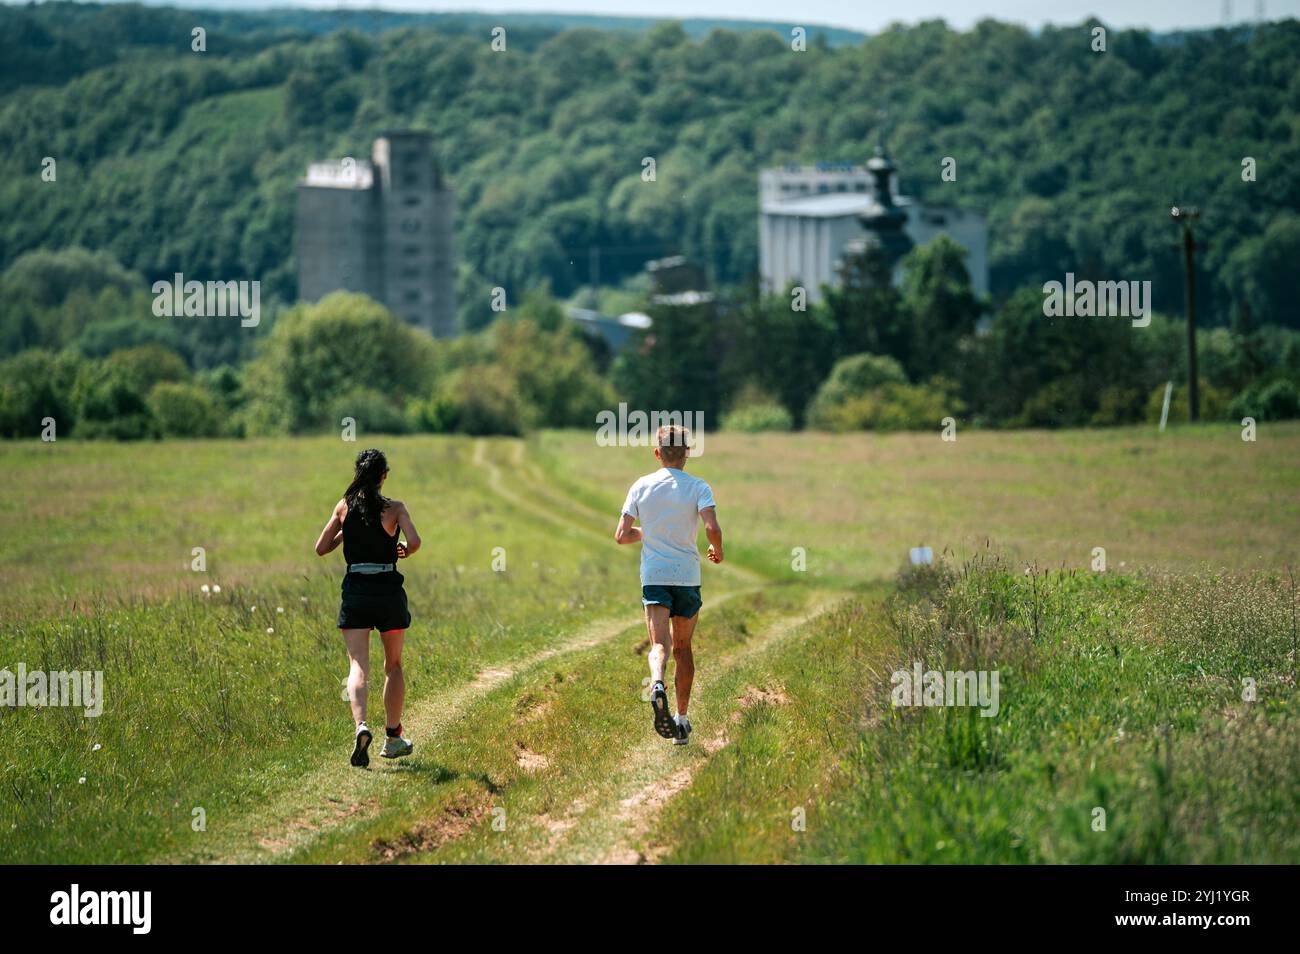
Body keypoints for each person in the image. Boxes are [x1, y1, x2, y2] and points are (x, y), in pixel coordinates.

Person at [614, 424, 722, 745]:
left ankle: (656, 682)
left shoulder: (641, 486)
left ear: (657, 453)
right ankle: (682, 722)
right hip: (687, 577)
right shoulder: (699, 487)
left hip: (656, 577)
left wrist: (651, 534)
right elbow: (712, 527)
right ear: (687, 453)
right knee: (683, 648)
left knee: (658, 646)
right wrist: (717, 549)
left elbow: (622, 536)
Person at [315, 448, 421, 767]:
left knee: (358, 666)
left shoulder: (344, 506)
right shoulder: (395, 508)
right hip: (387, 590)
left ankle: (361, 725)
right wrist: (402, 548)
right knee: (394, 665)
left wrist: (345, 533)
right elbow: (415, 542)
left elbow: (321, 548)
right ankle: (392, 738)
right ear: (383, 476)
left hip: (356, 589)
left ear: (358, 475)